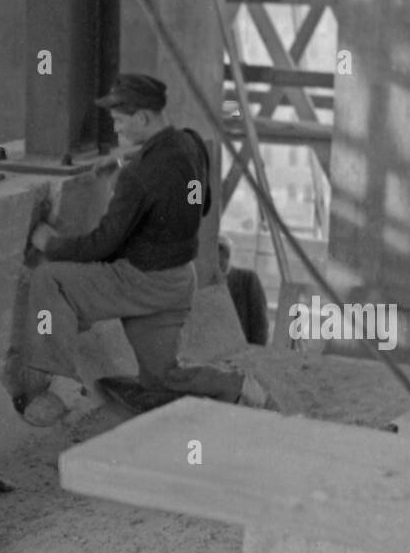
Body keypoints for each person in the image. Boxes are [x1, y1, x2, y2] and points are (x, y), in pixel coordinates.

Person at [21, 72, 273, 424]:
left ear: (142, 118)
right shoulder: (191, 145)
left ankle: (61, 385)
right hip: (178, 281)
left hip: (141, 281)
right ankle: (241, 386)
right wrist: (125, 175)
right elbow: (197, 203)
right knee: (163, 378)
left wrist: (52, 243)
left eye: (120, 121)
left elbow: (102, 245)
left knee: (51, 280)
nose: (116, 129)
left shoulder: (139, 176)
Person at [219, 237, 269, 346]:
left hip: (240, 348)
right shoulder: (202, 282)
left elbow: (259, 321)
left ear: (226, 256)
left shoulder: (247, 279)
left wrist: (256, 353)